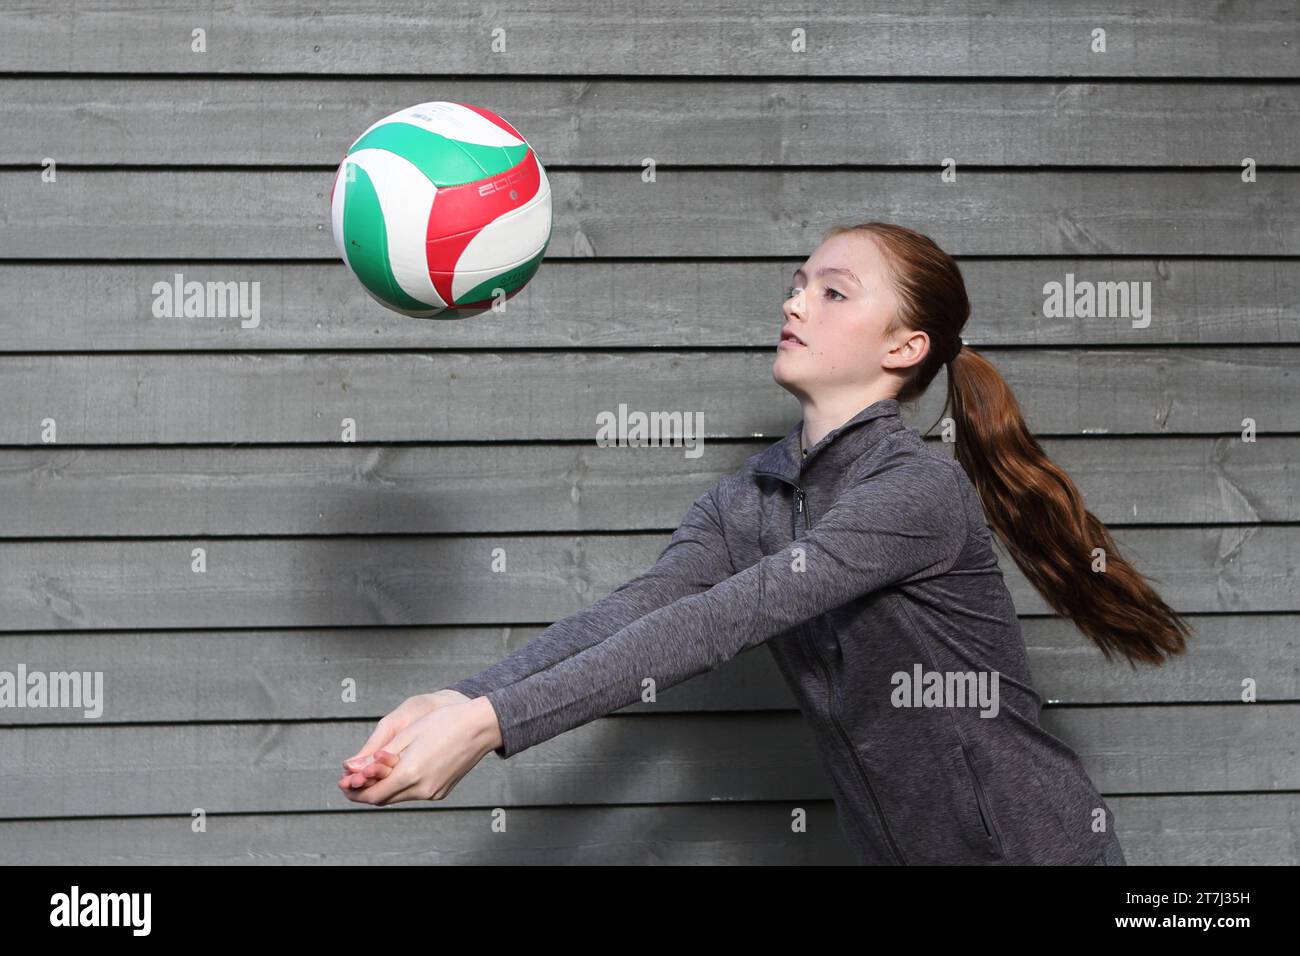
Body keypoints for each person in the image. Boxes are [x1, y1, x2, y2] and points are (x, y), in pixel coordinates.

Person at [337, 222, 1188, 864]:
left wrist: (492, 726)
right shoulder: (751, 496)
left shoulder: (915, 492)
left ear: (905, 346)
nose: (793, 302)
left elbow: (725, 620)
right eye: (796, 284)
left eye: (832, 292)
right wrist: (465, 698)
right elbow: (643, 611)